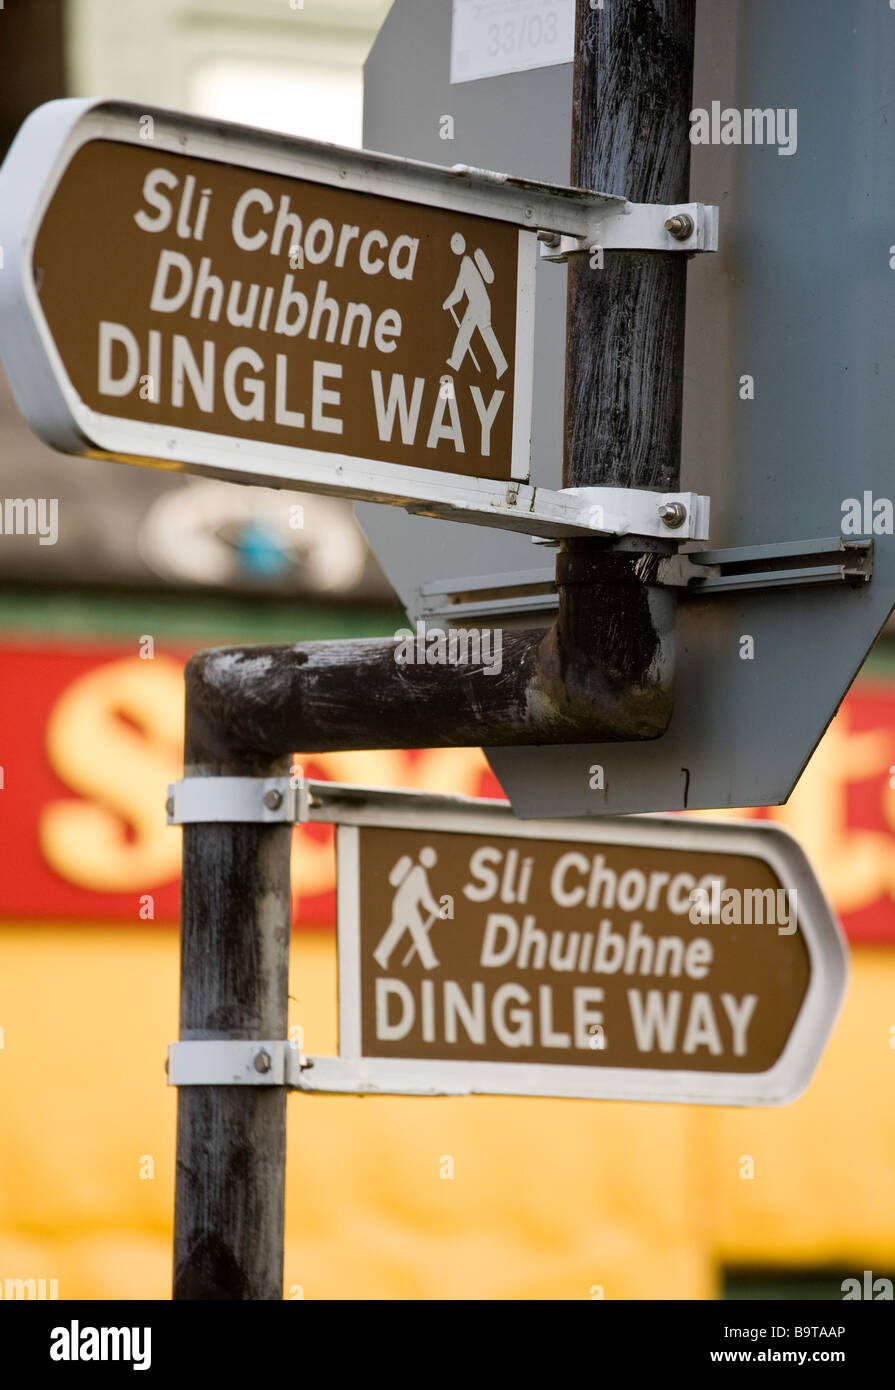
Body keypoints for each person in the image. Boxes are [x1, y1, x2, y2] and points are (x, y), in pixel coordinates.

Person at [442, 232, 508, 379]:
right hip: (479, 302)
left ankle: (500, 364)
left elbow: (458, 293)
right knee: (475, 331)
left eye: (455, 243)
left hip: (479, 303)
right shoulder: (469, 260)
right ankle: (457, 361)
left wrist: (446, 304)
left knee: (474, 331)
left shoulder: (466, 263)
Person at [373, 846, 443, 970]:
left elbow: (424, 898)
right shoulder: (419, 872)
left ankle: (381, 953)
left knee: (401, 929)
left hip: (404, 905)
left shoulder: (417, 871)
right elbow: (426, 898)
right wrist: (439, 912)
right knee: (418, 931)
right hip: (406, 905)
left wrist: (437, 912)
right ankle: (428, 961)